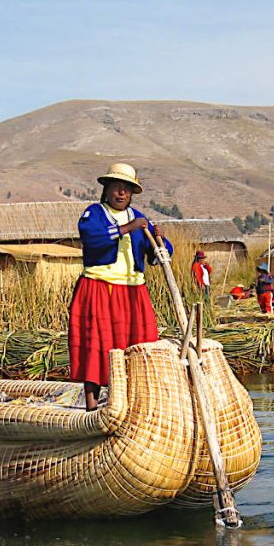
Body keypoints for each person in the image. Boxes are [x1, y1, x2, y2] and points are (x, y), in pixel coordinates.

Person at [68, 162, 173, 410]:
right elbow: (92, 238)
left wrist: (160, 241)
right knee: (97, 342)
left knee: (138, 342)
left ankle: (136, 399)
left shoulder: (139, 219)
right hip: (99, 287)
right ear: (106, 190)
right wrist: (127, 229)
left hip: (133, 291)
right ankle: (92, 403)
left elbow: (157, 253)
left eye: (126, 189)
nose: (121, 193)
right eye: (116, 188)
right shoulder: (93, 213)